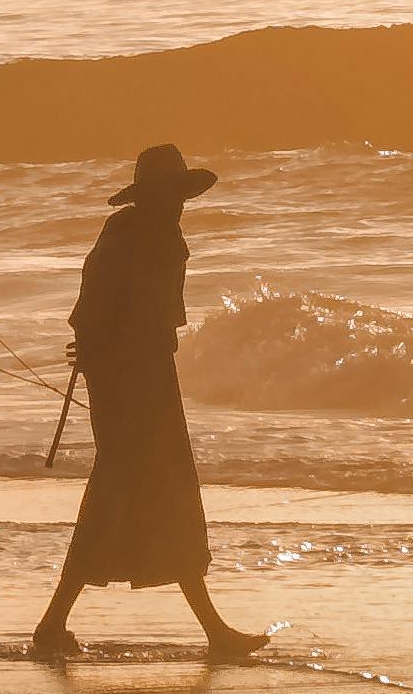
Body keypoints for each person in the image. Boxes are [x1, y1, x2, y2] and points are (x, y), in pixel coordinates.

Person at [32, 144, 265, 661]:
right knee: (157, 497)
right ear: (155, 196)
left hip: (141, 380)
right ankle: (213, 633)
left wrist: (94, 348)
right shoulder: (144, 237)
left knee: (133, 498)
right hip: (138, 386)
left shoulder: (131, 235)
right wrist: (98, 350)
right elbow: (103, 312)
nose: (178, 204)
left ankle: (54, 625)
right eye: (171, 194)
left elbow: (93, 309)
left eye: (179, 196)